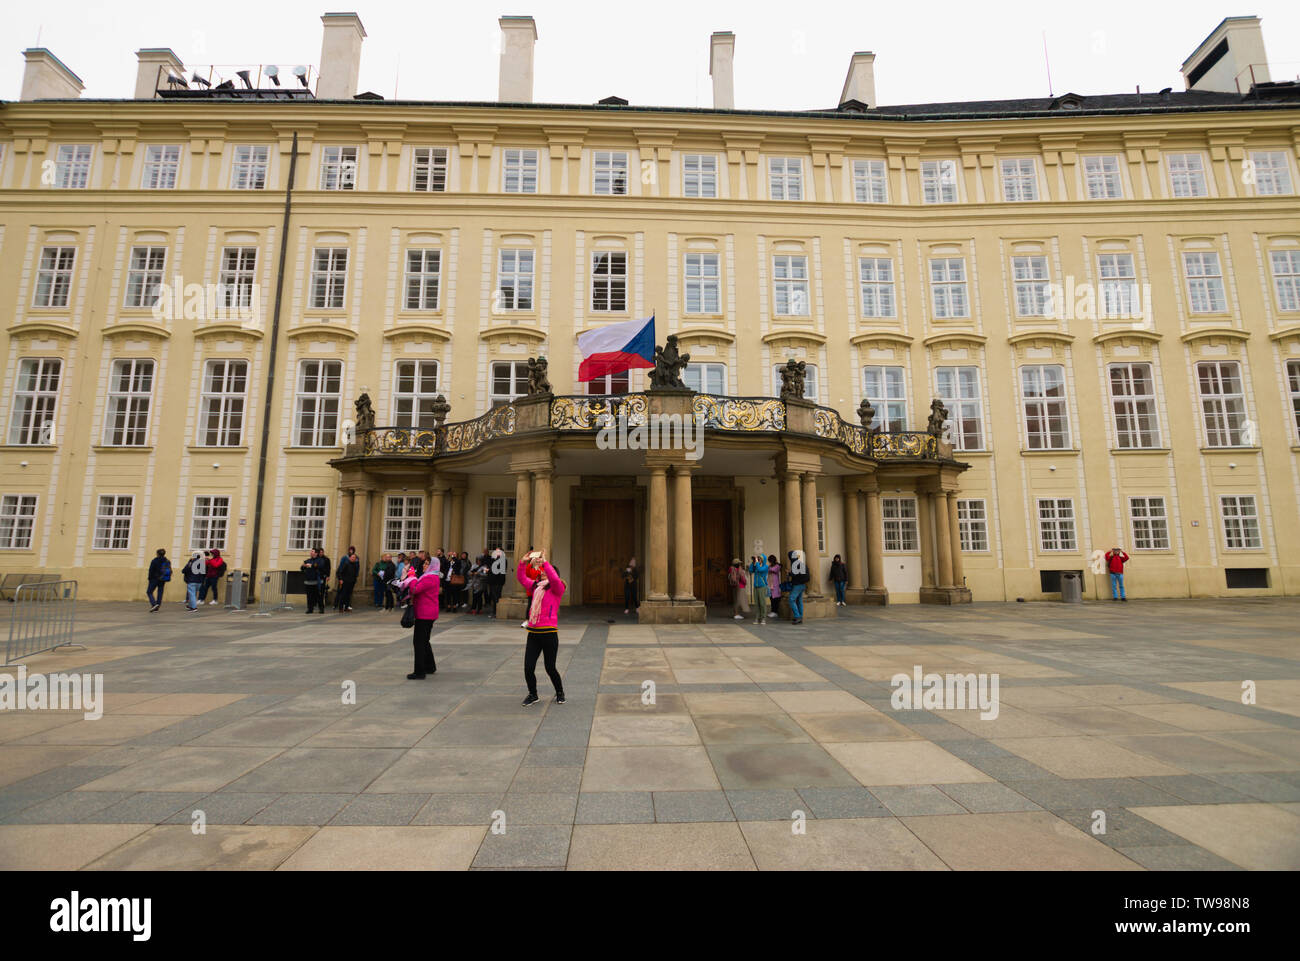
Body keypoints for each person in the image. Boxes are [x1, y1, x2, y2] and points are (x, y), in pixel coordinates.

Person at [517, 550, 566, 707]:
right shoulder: (535, 587)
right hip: (534, 633)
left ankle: (559, 692)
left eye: (546, 572)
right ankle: (533, 694)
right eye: (542, 572)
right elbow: (521, 578)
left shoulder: (557, 588)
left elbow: (555, 579)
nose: (543, 573)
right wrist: (522, 562)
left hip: (549, 633)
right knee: (528, 667)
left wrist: (545, 563)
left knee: (550, 667)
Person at [301, 548, 327, 614]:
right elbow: (302, 568)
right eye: (311, 551)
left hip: (317, 582)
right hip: (308, 581)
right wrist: (304, 566)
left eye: (312, 551)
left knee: (319, 596)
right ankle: (310, 609)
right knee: (309, 596)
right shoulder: (308, 560)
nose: (311, 552)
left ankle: (321, 608)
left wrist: (311, 565)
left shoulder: (320, 560)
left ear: (316, 553)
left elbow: (320, 566)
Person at [788, 549, 809, 625]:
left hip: (797, 585)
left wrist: (788, 573)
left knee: (791, 599)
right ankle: (800, 616)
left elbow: (794, 574)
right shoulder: (800, 563)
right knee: (799, 601)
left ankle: (797, 616)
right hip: (803, 585)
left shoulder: (795, 564)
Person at [336, 546, 359, 612]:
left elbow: (355, 573)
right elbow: (340, 572)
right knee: (343, 595)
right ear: (349, 558)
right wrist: (340, 579)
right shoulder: (346, 564)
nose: (353, 559)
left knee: (349, 595)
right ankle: (340, 608)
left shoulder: (355, 565)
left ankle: (346, 607)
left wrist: (355, 579)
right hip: (345, 581)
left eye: (354, 558)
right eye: (352, 557)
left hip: (351, 582)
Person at [147, 548, 171, 612]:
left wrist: (149, 578)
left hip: (154, 578)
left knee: (149, 591)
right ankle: (157, 606)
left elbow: (151, 570)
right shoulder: (167, 560)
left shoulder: (155, 560)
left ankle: (154, 604)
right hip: (162, 579)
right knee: (160, 592)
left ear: (157, 554)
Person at [748, 554, 769, 625]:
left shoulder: (765, 566)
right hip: (756, 586)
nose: (758, 560)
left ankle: (763, 618)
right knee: (757, 603)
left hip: (762, 586)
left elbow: (760, 570)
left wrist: (756, 563)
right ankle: (757, 617)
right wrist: (753, 563)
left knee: (762, 603)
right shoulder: (756, 565)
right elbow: (750, 571)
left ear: (763, 560)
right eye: (758, 558)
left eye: (759, 559)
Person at [486, 548, 507, 618]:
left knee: (496, 597)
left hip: (498, 581)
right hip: (493, 581)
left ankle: (496, 612)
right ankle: (494, 611)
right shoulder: (494, 559)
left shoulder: (503, 560)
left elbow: (498, 571)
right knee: (493, 597)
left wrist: (489, 570)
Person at [767, 554, 783, 619]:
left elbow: (773, 570)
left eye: (770, 561)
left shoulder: (777, 566)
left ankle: (775, 612)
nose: (769, 562)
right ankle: (772, 611)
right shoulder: (770, 566)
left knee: (775, 599)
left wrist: (769, 568)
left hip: (775, 584)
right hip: (770, 584)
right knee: (771, 598)